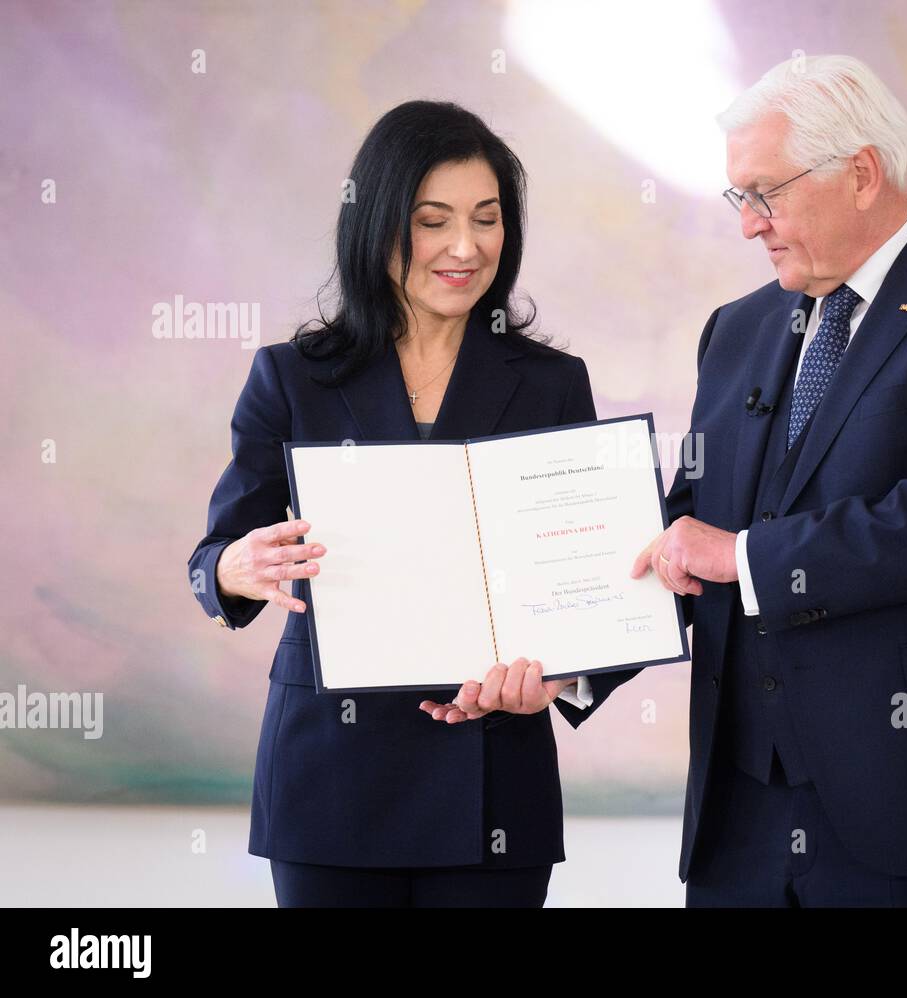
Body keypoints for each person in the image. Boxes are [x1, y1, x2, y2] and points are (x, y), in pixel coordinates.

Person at [631, 55, 907, 906]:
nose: (749, 224)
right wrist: (573, 658)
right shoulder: (737, 329)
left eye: (765, 193)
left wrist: (749, 557)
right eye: (739, 198)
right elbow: (687, 533)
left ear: (861, 173)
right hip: (739, 820)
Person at [186, 100, 631, 907]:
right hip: (331, 779)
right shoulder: (291, 378)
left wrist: (563, 673)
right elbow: (214, 556)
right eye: (434, 221)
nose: (466, 247)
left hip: (494, 780)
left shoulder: (553, 384)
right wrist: (234, 567)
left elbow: (600, 581)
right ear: (379, 224)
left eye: (487, 219)